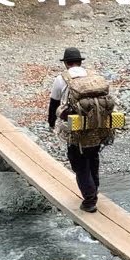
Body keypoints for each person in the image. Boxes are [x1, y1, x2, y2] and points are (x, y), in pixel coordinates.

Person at [47, 47, 115, 213]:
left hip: (77, 128)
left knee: (79, 162)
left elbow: (54, 105)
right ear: (80, 62)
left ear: (66, 63)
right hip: (99, 125)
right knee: (93, 156)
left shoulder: (61, 79)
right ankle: (94, 188)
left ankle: (90, 200)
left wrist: (51, 123)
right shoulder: (93, 76)